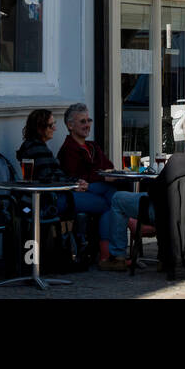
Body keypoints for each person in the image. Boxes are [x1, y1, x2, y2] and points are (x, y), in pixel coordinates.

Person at [101, 114, 185, 271]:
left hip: (171, 217)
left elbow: (155, 192)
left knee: (118, 199)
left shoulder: (177, 161)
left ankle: (117, 257)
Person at [16, 108, 113, 265]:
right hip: (55, 200)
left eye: (54, 124)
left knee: (110, 195)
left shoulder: (36, 146)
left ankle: (107, 254)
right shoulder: (36, 148)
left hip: (59, 195)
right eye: (50, 125)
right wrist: (73, 184)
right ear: (40, 128)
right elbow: (48, 178)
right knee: (109, 204)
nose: (55, 128)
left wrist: (75, 182)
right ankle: (108, 254)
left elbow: (52, 175)